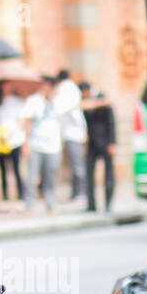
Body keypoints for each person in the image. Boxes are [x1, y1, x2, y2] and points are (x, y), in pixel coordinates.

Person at [21, 76, 62, 214]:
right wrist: (25, 143)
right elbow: (27, 122)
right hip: (36, 145)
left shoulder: (57, 102)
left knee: (49, 177)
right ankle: (29, 206)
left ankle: (50, 205)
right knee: (32, 177)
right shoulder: (34, 101)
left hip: (53, 146)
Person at [52, 69, 88, 203]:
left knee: (76, 165)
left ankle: (80, 191)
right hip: (73, 133)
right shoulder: (70, 89)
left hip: (71, 134)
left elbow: (69, 110)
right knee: (75, 165)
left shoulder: (65, 90)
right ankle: (77, 191)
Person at [79, 81, 116, 213]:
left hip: (105, 141)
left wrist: (112, 142)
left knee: (109, 174)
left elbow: (111, 122)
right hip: (92, 143)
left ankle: (108, 204)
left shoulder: (102, 97)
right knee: (89, 173)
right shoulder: (90, 101)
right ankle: (91, 204)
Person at [0, 81, 27, 205]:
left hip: (14, 140)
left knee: (16, 168)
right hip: (1, 141)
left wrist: (10, 133)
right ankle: (5, 195)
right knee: (3, 170)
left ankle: (21, 193)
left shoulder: (17, 102)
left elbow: (21, 120)